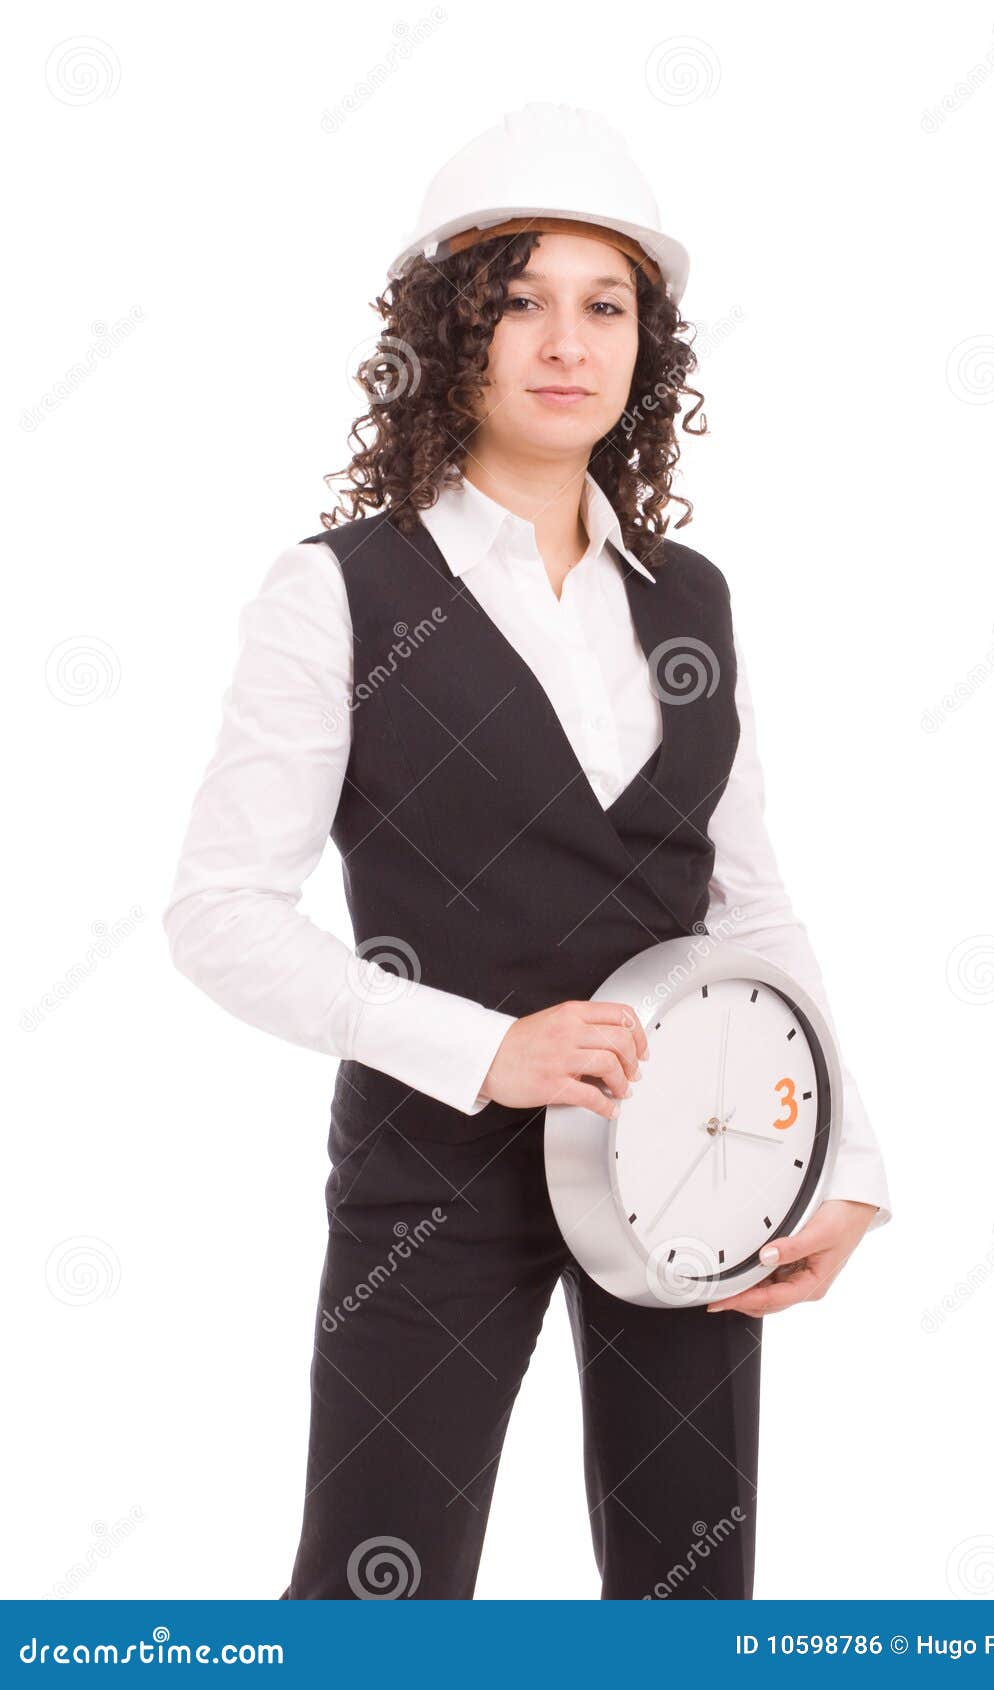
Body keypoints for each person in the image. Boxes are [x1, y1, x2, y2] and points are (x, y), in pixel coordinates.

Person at [162, 101, 891, 1601]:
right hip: (430, 1184)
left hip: (700, 1168)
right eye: (518, 301)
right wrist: (483, 1047)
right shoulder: (338, 594)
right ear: (452, 333)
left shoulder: (691, 598)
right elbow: (219, 912)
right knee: (379, 1604)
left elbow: (750, 901)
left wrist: (844, 1159)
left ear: (648, 346)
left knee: (691, 1604)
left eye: (606, 304)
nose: (567, 341)